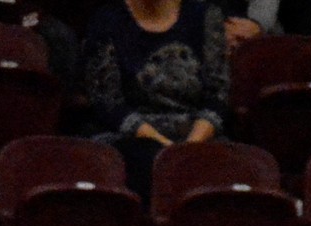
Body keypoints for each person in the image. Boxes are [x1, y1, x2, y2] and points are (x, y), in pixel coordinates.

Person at [83, 0, 229, 204]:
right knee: (151, 164)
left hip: (197, 135)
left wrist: (188, 148)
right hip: (132, 136)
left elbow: (218, 96)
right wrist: (167, 149)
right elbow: (107, 102)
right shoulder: (107, 19)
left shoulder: (205, 16)